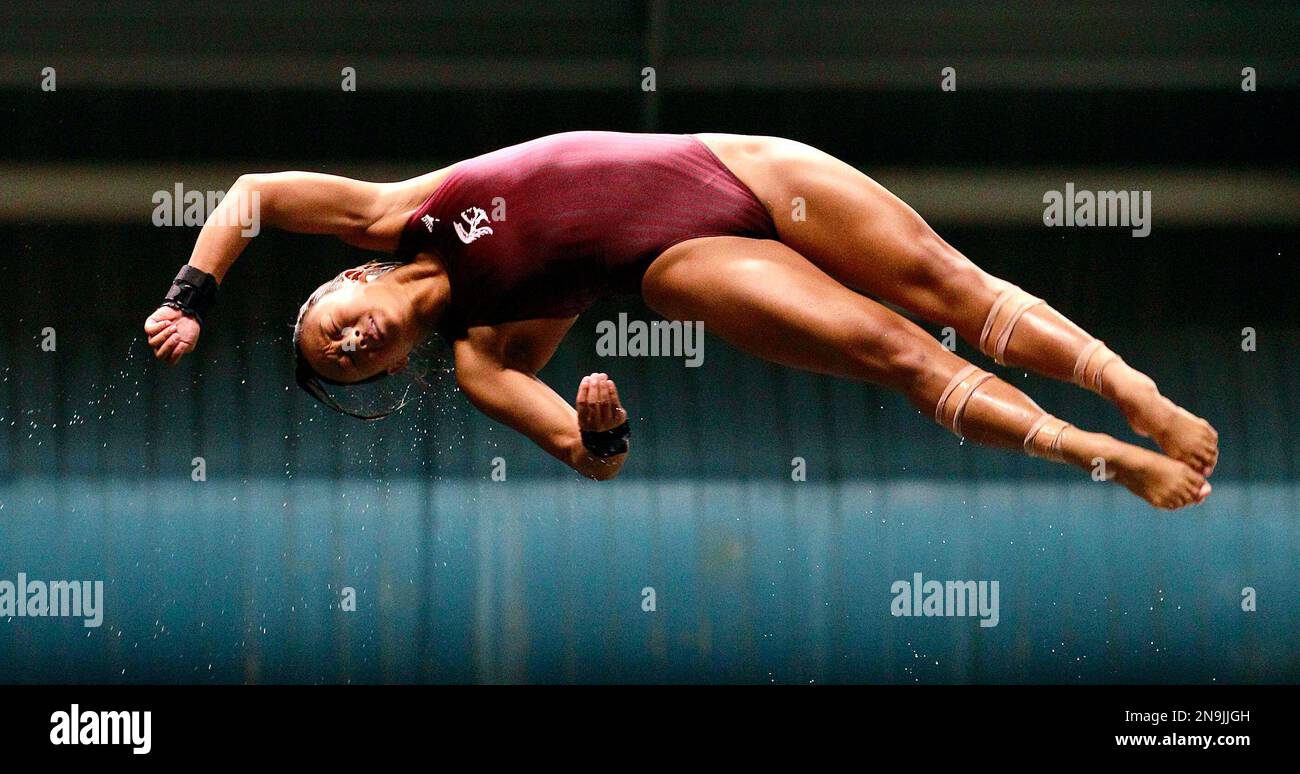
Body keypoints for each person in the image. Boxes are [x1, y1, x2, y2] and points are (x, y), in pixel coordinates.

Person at [144, 131, 1217, 508]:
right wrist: (602, 427)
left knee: (951, 287)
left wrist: (192, 296)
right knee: (891, 351)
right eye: (352, 373)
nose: (352, 350)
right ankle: (1092, 451)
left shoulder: (395, 214)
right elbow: (582, 454)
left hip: (732, 162)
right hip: (683, 258)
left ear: (342, 288)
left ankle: (1127, 389)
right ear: (390, 375)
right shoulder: (484, 357)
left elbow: (250, 195)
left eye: (332, 335)